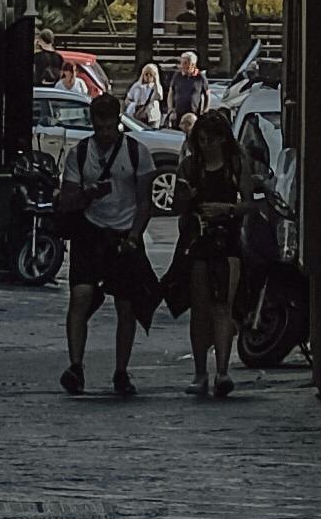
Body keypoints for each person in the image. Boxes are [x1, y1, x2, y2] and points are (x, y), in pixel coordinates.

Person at [61, 111, 158, 400]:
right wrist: (88, 194)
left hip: (124, 234)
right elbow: (66, 201)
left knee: (126, 306)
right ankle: (76, 366)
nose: (104, 132)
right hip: (90, 233)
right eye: (99, 126)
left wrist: (134, 236)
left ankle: (121, 370)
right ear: (93, 124)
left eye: (108, 125)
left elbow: (144, 202)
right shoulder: (79, 154)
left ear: (117, 121)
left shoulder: (136, 152)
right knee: (80, 296)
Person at [177, 100, 250, 400]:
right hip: (198, 242)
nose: (206, 145)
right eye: (202, 140)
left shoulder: (236, 163)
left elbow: (249, 203)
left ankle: (222, 371)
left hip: (227, 240)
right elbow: (177, 206)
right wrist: (188, 197)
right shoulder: (189, 166)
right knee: (200, 309)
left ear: (222, 138)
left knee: (223, 307)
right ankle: (200, 372)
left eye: (212, 139)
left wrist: (228, 209)